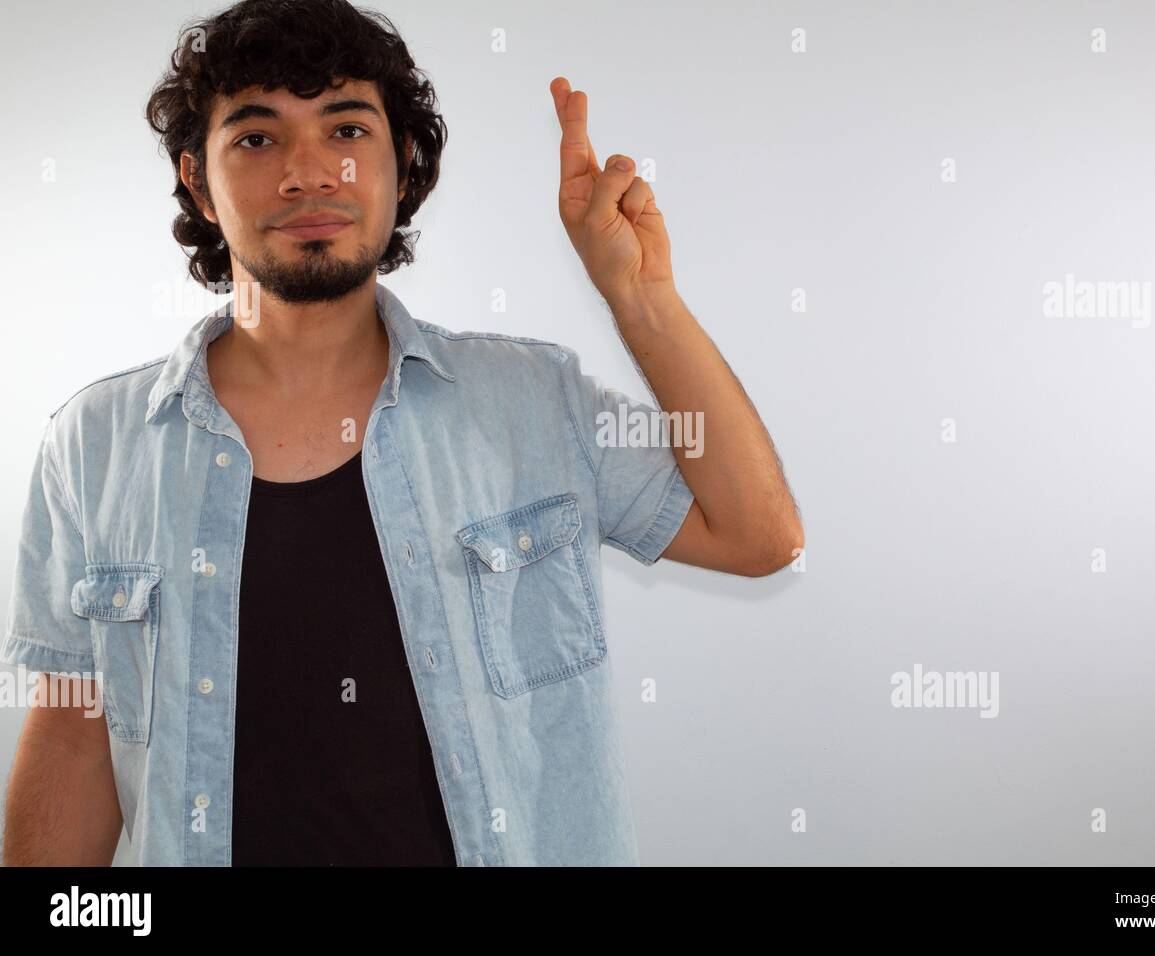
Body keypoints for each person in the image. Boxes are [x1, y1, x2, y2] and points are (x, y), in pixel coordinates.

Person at [0, 0, 802, 866]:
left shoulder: (531, 401)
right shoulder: (95, 445)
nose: (309, 173)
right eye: (257, 139)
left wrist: (641, 297)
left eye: (346, 127)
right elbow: (78, 742)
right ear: (198, 180)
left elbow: (759, 536)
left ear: (403, 161)